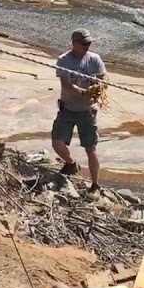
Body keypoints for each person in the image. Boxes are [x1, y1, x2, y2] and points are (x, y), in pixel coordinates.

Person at [52, 28, 107, 194]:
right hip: (68, 108)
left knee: (91, 148)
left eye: (89, 43)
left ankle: (95, 185)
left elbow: (102, 79)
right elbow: (66, 85)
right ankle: (71, 163)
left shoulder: (95, 59)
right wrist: (84, 92)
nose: (87, 46)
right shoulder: (64, 60)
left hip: (87, 111)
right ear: (74, 43)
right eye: (84, 44)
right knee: (57, 143)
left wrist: (97, 88)